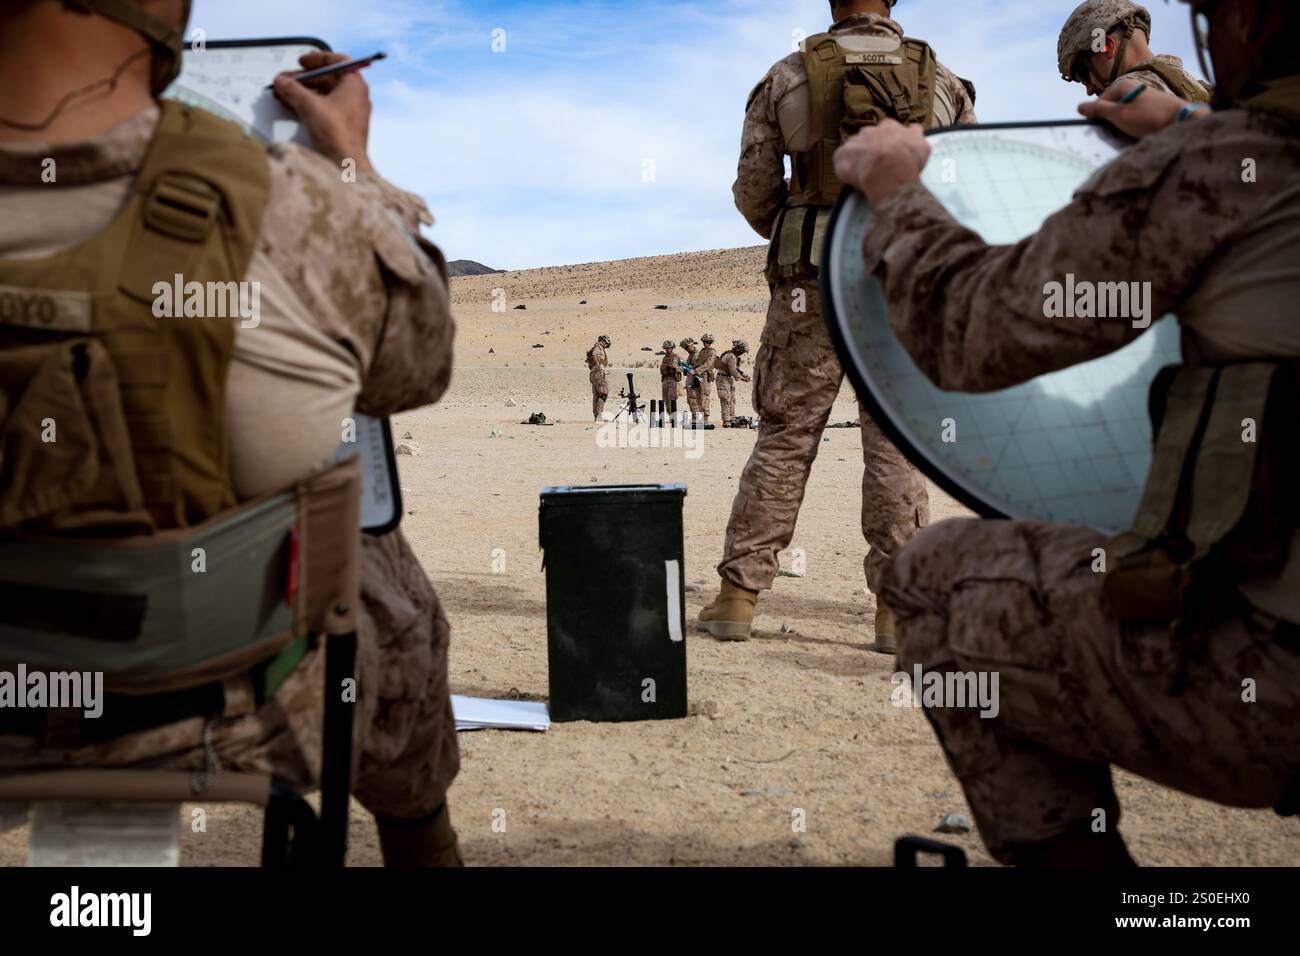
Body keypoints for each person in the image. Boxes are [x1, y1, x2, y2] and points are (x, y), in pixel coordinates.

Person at [834, 0, 1300, 866]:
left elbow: (970, 328)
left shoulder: (1225, 166)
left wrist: (897, 188)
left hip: (1277, 688)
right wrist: (1193, 121)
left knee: (934, 584)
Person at [0, 0, 461, 865]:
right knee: (384, 576)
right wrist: (356, 165)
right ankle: (417, 831)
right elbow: (416, 369)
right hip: (222, 709)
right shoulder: (294, 204)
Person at [698, 0, 974, 649]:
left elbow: (753, 189)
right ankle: (896, 612)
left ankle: (738, 598)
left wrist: (805, 231)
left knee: (786, 434)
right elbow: (966, 184)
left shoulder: (787, 76)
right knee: (895, 441)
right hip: (901, 277)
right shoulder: (945, 84)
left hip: (808, 283)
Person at [1058, 0, 1211, 100]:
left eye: (1083, 74)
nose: (1089, 90)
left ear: (1106, 47)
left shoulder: (1125, 95)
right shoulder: (1200, 90)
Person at [715, 339, 752, 425]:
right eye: (742, 351)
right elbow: (733, 371)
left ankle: (732, 418)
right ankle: (726, 420)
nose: (742, 353)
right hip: (723, 379)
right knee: (726, 399)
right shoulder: (731, 356)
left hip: (728, 378)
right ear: (738, 349)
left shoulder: (731, 355)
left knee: (732, 399)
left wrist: (743, 374)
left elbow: (735, 369)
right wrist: (743, 379)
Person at [693, 332, 719, 424]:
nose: (705, 343)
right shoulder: (702, 351)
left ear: (710, 342)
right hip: (698, 375)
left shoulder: (712, 352)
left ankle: (706, 418)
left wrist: (696, 371)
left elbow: (708, 365)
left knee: (705, 395)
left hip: (705, 375)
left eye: (707, 342)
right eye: (704, 342)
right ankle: (700, 417)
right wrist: (692, 369)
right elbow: (698, 363)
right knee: (698, 396)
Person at [587, 334, 611, 420]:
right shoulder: (598, 347)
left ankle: (596, 416)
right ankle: (599, 416)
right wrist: (600, 367)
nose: (606, 345)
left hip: (594, 374)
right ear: (603, 341)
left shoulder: (596, 347)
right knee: (603, 393)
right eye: (606, 343)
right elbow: (595, 355)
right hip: (598, 373)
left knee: (597, 395)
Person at [659, 339, 682, 423]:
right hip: (665, 379)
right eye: (666, 348)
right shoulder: (664, 358)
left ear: (672, 348)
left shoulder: (677, 357)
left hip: (673, 379)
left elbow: (684, 368)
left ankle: (673, 417)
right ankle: (670, 416)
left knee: (671, 398)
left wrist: (676, 368)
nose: (667, 350)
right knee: (665, 399)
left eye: (669, 348)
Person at [680, 335, 702, 422]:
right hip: (690, 379)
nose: (686, 349)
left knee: (693, 399)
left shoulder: (696, 355)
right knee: (690, 400)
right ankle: (695, 416)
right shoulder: (691, 355)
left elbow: (696, 370)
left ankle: (696, 417)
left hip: (693, 380)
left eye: (687, 347)